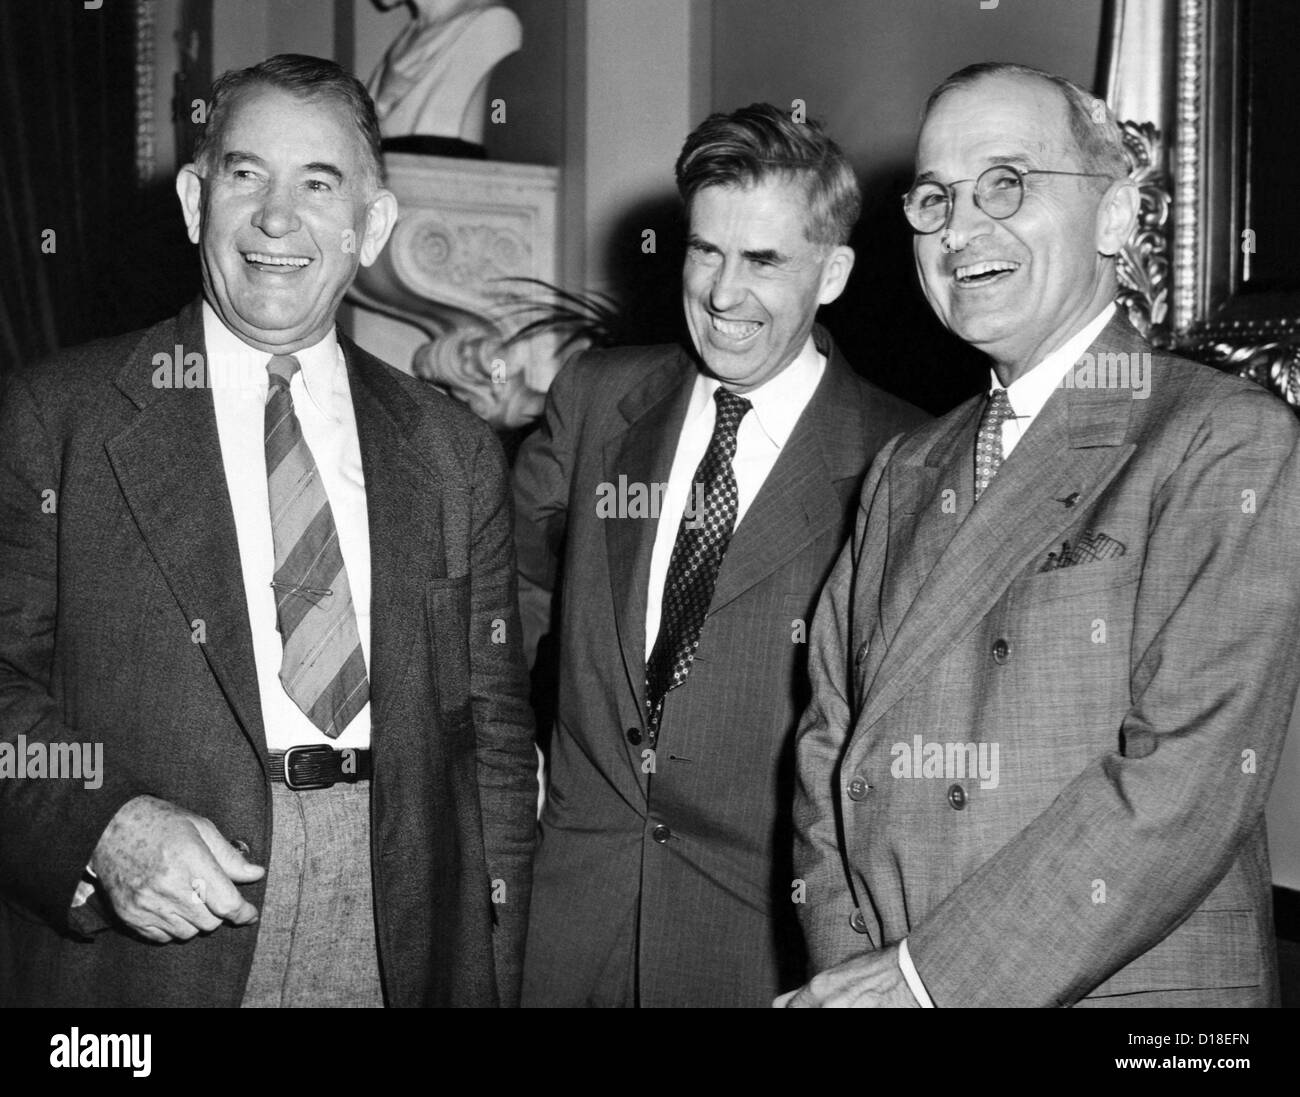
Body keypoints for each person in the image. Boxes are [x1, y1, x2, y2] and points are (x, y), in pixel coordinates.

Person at [0, 53, 536, 1008]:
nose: (278, 219)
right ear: (195, 199)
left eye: (318, 184)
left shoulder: (452, 450)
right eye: (246, 175)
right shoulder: (55, 419)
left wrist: (492, 956)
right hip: (151, 947)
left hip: (400, 919)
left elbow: (490, 738)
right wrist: (98, 828)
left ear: (371, 225)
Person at [784, 62, 1300, 1008]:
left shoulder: (1219, 437)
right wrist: (847, 971)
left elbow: (1184, 782)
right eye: (934, 199)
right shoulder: (907, 467)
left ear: (1112, 216)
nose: (962, 230)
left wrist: (925, 980)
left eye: (1006, 184)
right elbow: (829, 749)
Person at [514, 103, 927, 1007]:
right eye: (706, 251)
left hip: (760, 954)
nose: (723, 293)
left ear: (835, 273)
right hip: (564, 933)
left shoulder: (907, 460)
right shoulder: (595, 399)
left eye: (765, 260)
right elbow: (505, 606)